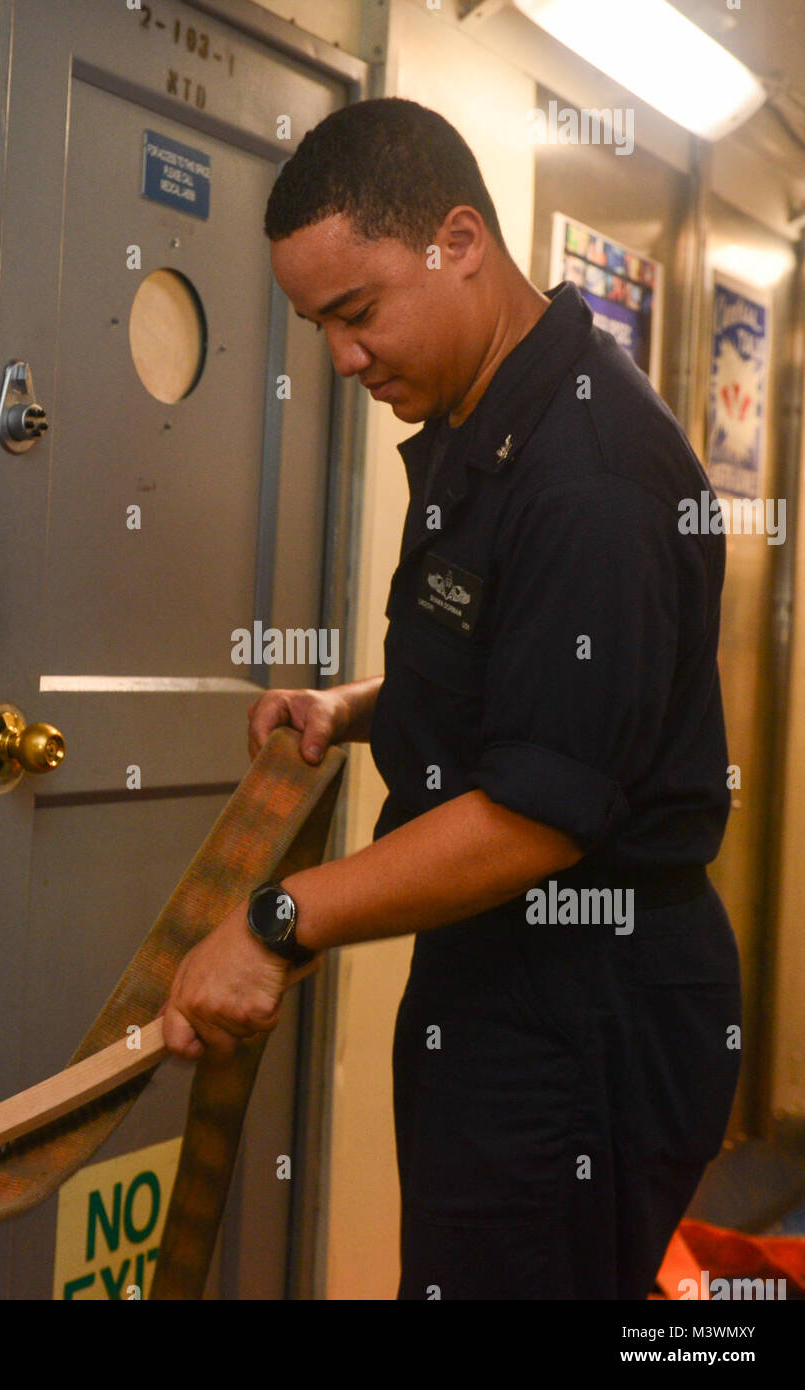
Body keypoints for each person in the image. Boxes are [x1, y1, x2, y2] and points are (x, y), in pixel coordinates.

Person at [161, 97, 742, 1299]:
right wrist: (353, 708)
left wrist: (276, 919)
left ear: (459, 242)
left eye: (357, 312)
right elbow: (506, 655)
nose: (342, 357)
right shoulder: (496, 416)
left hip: (587, 1011)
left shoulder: (592, 477)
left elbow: (534, 813)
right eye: (319, 324)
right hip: (499, 982)